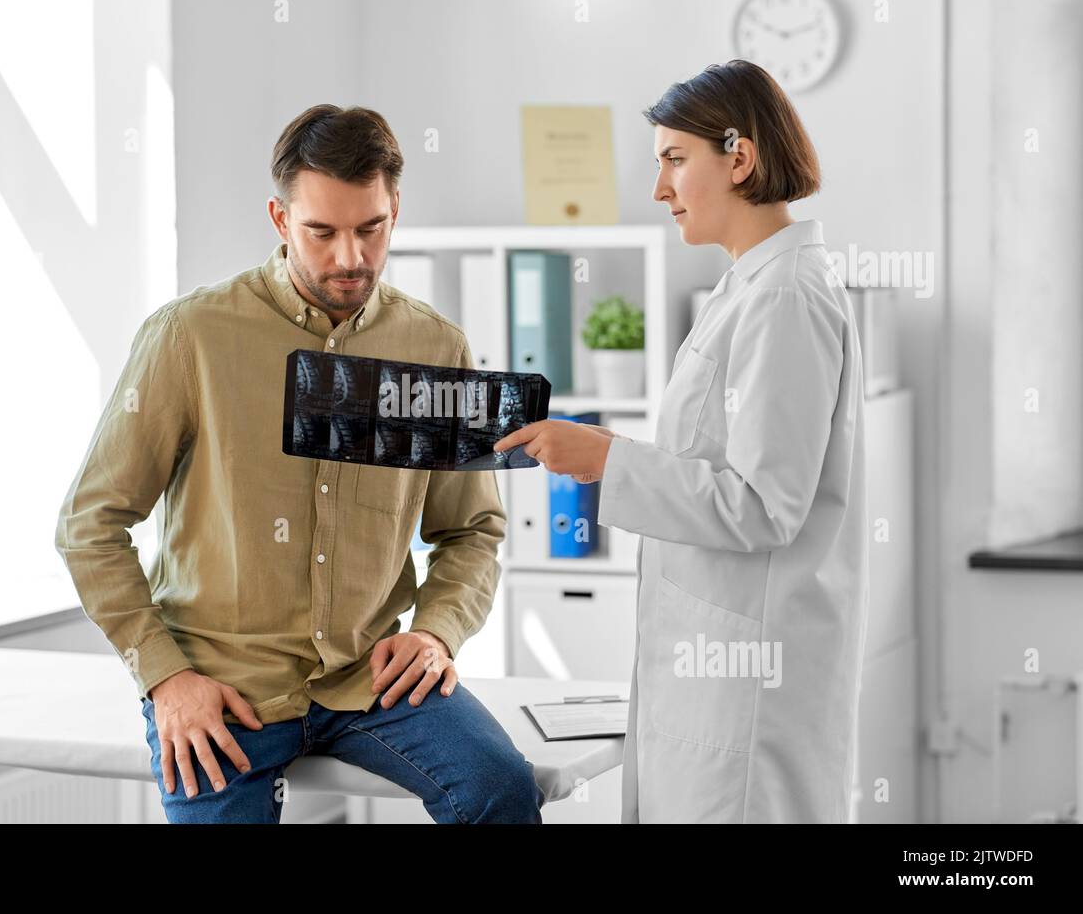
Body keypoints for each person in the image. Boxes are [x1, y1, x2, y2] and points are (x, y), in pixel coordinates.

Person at [56, 104, 544, 823]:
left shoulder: (436, 347)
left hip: (371, 678)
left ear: (395, 210)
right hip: (221, 686)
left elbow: (472, 528)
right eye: (322, 231)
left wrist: (437, 631)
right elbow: (90, 525)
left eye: (370, 228)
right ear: (281, 220)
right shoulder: (189, 337)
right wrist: (165, 677)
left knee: (502, 788)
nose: (350, 257)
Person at [495, 60, 869, 823]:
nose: (658, 189)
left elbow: (766, 506)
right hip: (711, 683)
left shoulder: (786, 300)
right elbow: (716, 464)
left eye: (673, 159)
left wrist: (607, 462)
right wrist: (613, 453)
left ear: (740, 156)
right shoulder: (746, 288)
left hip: (747, 700)